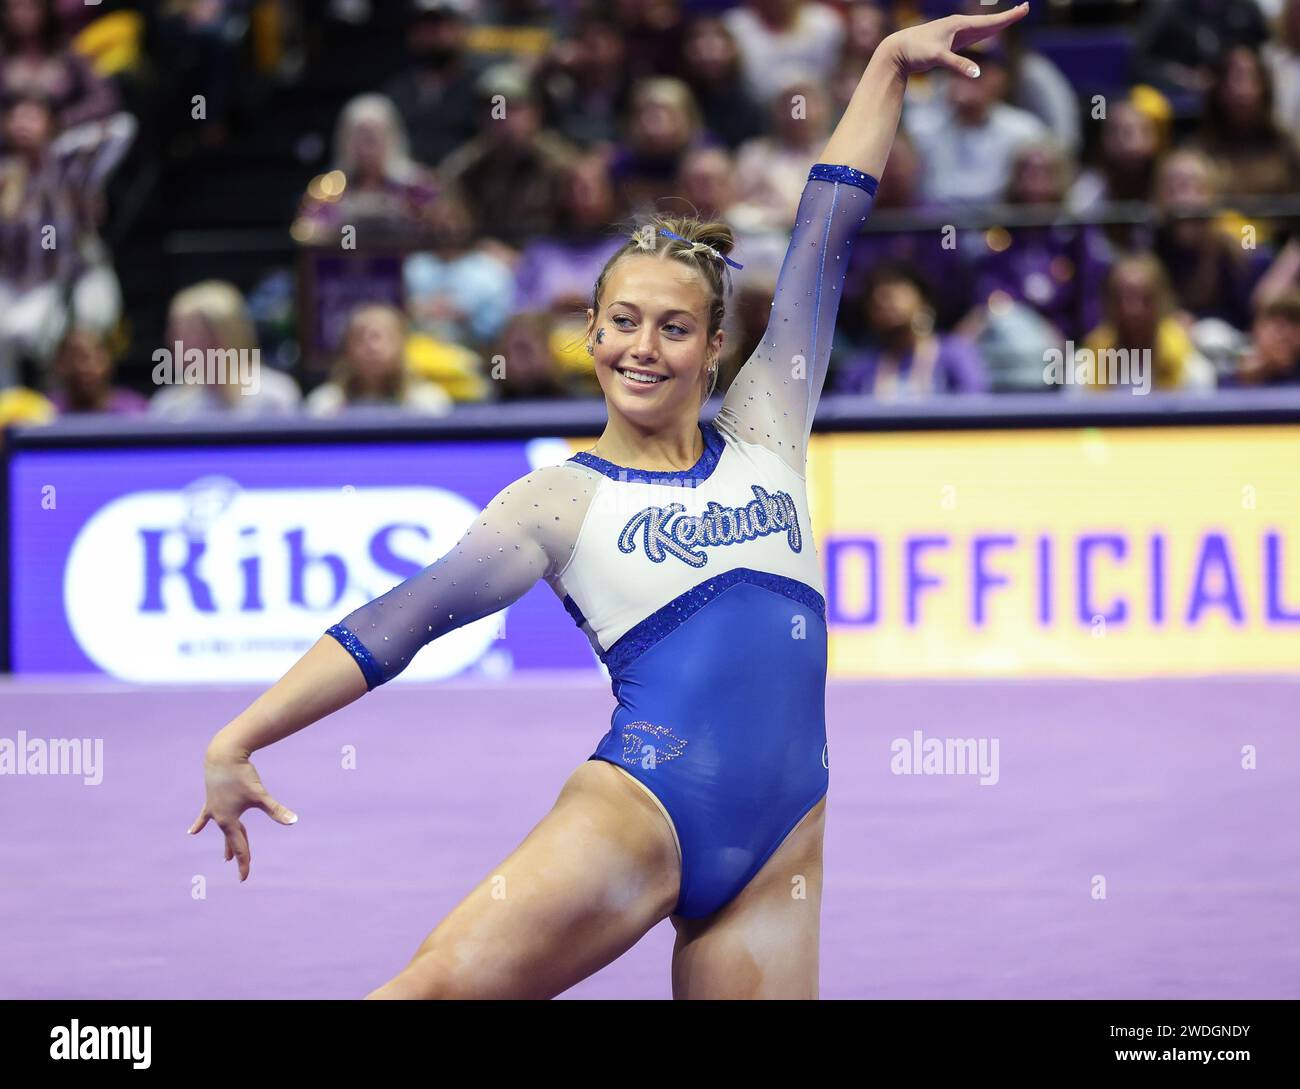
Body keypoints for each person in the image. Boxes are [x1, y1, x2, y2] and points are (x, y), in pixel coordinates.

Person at [189, 3, 1030, 1001]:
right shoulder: (558, 501)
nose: (643, 347)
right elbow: (397, 624)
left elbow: (826, 231)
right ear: (589, 331)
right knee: (433, 993)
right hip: (643, 806)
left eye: (674, 328)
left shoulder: (768, 424)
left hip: (783, 845)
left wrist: (887, 63)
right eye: (623, 321)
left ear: (714, 348)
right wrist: (239, 737)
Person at [304, 303, 452, 416]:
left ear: (401, 345)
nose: (371, 347)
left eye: (378, 337)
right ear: (347, 349)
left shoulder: (427, 401)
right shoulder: (325, 403)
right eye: (360, 338)